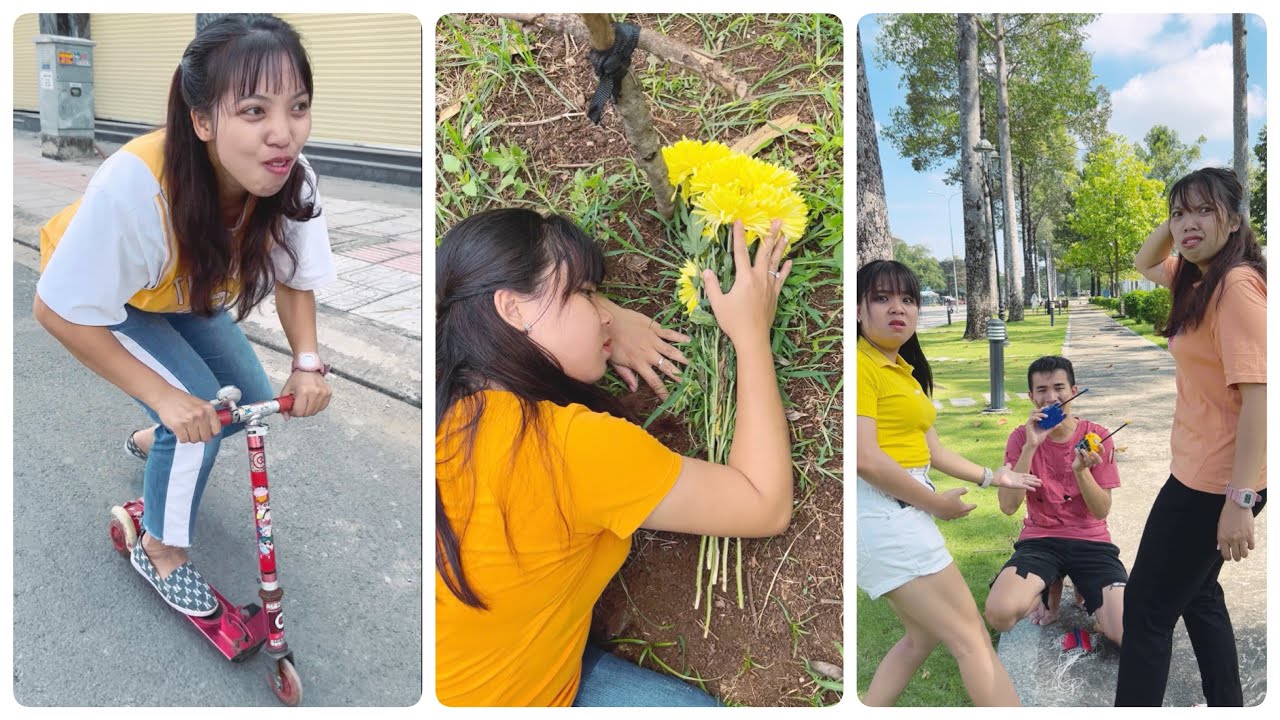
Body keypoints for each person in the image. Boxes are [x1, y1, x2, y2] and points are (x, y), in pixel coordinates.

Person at [33, 14, 335, 617]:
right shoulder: (136, 186)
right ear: (202, 121)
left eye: (298, 107)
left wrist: (308, 363)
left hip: (184, 293)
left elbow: (296, 278)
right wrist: (169, 400)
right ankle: (160, 548)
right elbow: (57, 311)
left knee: (247, 403)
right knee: (200, 406)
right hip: (102, 297)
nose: (283, 134)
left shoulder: (292, 180)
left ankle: (157, 439)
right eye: (254, 111)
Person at [435, 211, 795, 706]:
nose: (605, 313)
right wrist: (751, 335)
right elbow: (764, 503)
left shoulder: (441, 396)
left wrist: (595, 320)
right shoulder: (569, 448)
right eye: (585, 293)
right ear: (511, 308)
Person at [855, 259, 1040, 707]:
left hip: (897, 511)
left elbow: (933, 452)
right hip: (886, 515)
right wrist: (934, 503)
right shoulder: (860, 365)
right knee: (971, 639)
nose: (897, 308)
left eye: (907, 299)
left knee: (921, 638)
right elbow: (865, 459)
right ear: (858, 310)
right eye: (881, 298)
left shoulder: (902, 370)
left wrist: (994, 477)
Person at [1118, 167, 1266, 706]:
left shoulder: (1236, 288)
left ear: (1236, 219)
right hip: (1202, 471)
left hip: (1214, 483)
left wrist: (1240, 500)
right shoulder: (1198, 277)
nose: (1187, 224)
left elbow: (1261, 399)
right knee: (1199, 595)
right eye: (1179, 213)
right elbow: (1143, 261)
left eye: (1206, 210)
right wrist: (1185, 221)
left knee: (1146, 612)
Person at [983, 356, 1126, 647]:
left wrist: (1081, 472)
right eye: (1042, 390)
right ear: (1031, 397)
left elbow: (1101, 511)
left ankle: (1081, 586)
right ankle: (1049, 583)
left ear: (1073, 391)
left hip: (1090, 540)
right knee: (999, 615)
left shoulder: (1097, 436)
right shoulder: (1020, 438)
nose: (1051, 397)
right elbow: (1008, 507)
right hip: (1040, 539)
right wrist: (1030, 447)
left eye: (1059, 388)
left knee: (1127, 631)